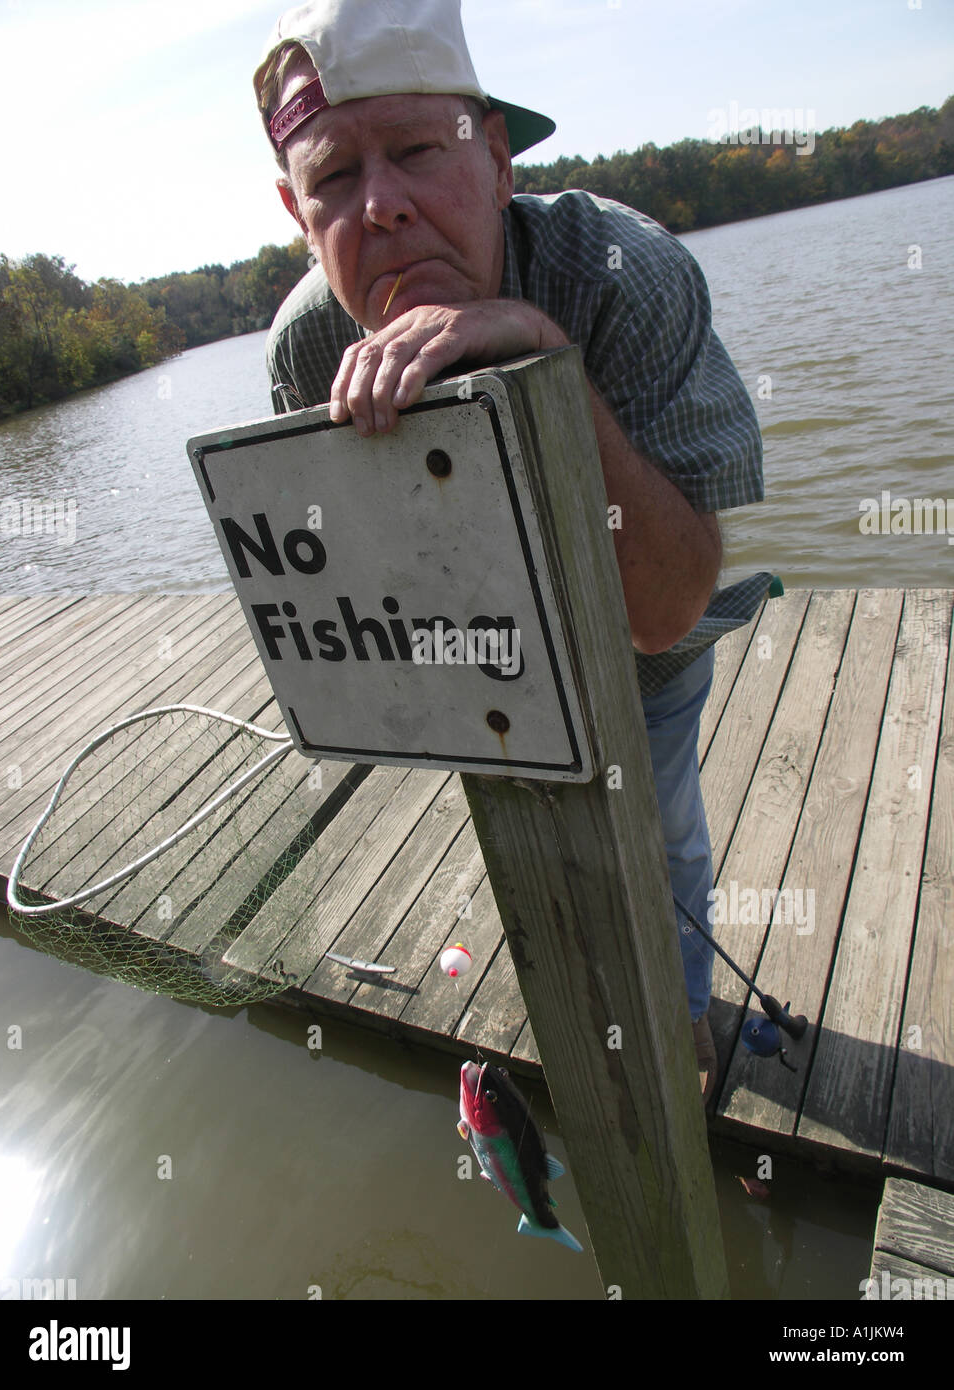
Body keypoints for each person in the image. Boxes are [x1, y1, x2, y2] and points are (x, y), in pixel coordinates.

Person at [252, 0, 774, 1103]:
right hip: (487, 677)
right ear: (298, 216)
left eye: (416, 150)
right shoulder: (306, 346)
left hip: (646, 666)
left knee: (664, 827)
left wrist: (548, 361)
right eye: (335, 177)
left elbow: (669, 607)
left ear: (494, 156)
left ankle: (682, 1012)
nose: (382, 205)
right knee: (539, 852)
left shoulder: (624, 273)